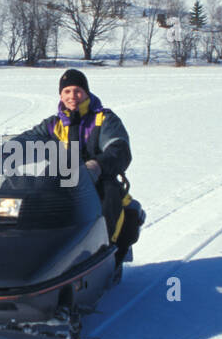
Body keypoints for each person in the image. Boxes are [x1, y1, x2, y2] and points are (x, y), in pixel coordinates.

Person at [20, 68, 140, 265]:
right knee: (29, 197)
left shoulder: (104, 119)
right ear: (61, 95)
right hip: (62, 178)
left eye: (77, 91)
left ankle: (105, 253)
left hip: (98, 179)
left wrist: (97, 165)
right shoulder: (55, 124)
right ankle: (33, 252)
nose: (72, 96)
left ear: (86, 93)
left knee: (108, 200)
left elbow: (119, 148)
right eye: (67, 91)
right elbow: (27, 141)